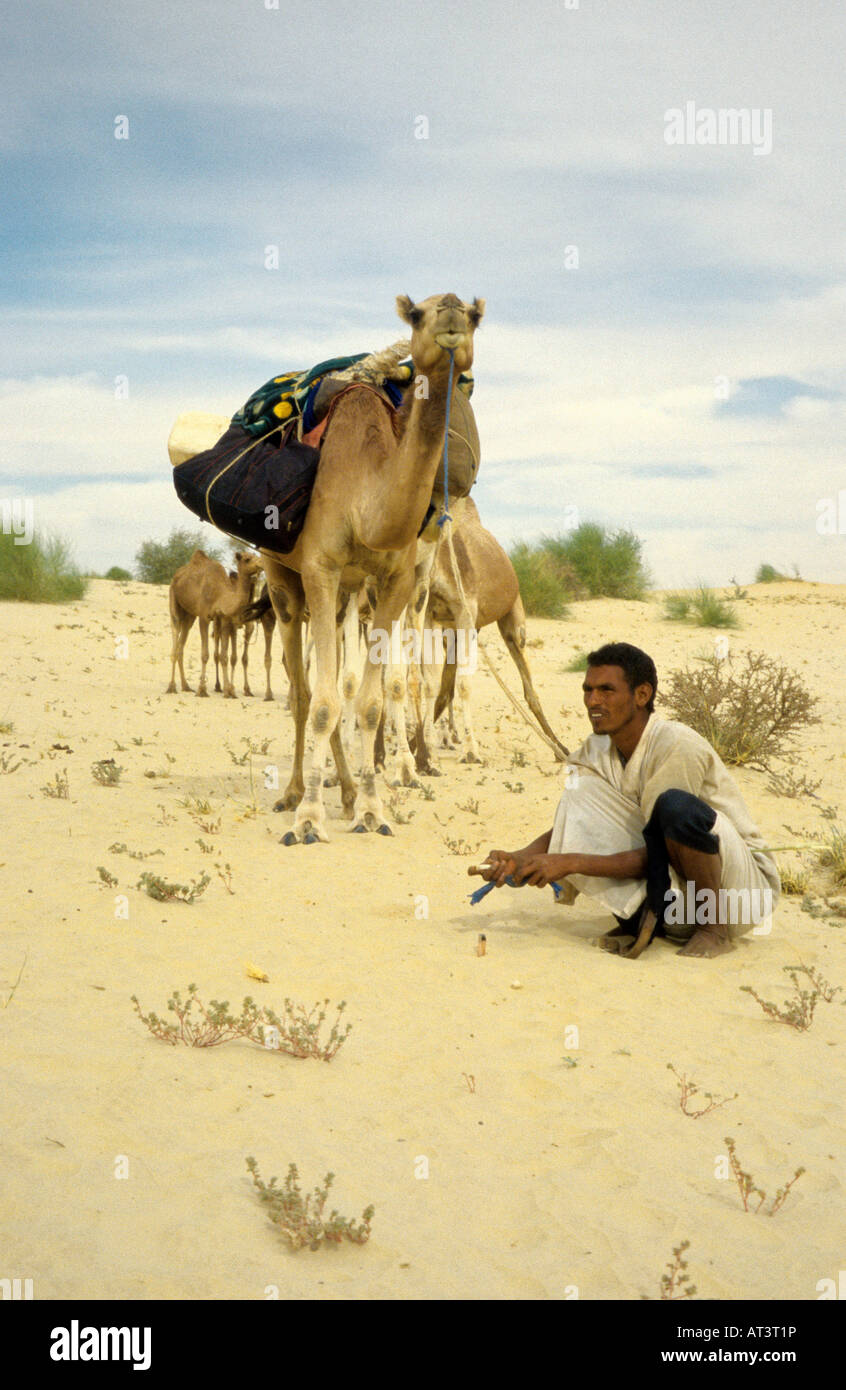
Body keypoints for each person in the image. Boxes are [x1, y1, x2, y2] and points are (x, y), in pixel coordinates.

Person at [474, 642, 780, 959]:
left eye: (606, 690)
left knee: (675, 807)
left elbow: (663, 847)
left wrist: (567, 862)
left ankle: (713, 930)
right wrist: (518, 858)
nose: (593, 701)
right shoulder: (595, 751)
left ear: (642, 695)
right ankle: (649, 922)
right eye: (588, 690)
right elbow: (577, 821)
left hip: (738, 893)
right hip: (679, 898)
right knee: (579, 793)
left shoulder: (676, 743)